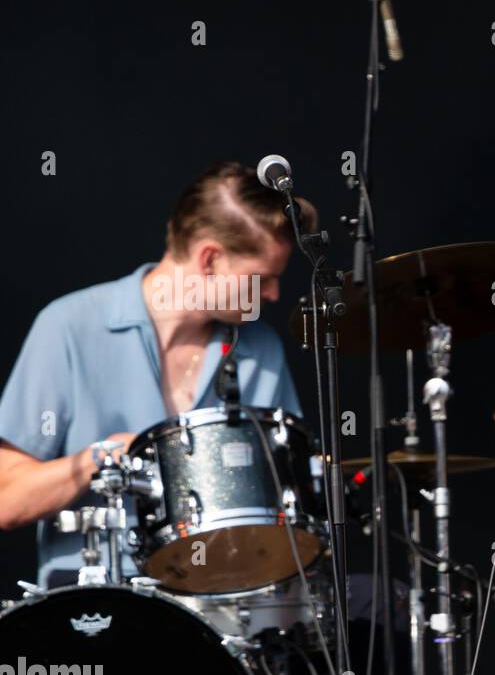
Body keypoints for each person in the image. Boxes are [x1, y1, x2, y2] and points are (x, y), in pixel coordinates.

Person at [0, 161, 313, 587]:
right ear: (210, 259)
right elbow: (6, 500)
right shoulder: (68, 326)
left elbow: (288, 500)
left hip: (229, 607)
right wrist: (101, 458)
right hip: (95, 612)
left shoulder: (262, 348)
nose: (274, 295)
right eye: (261, 279)